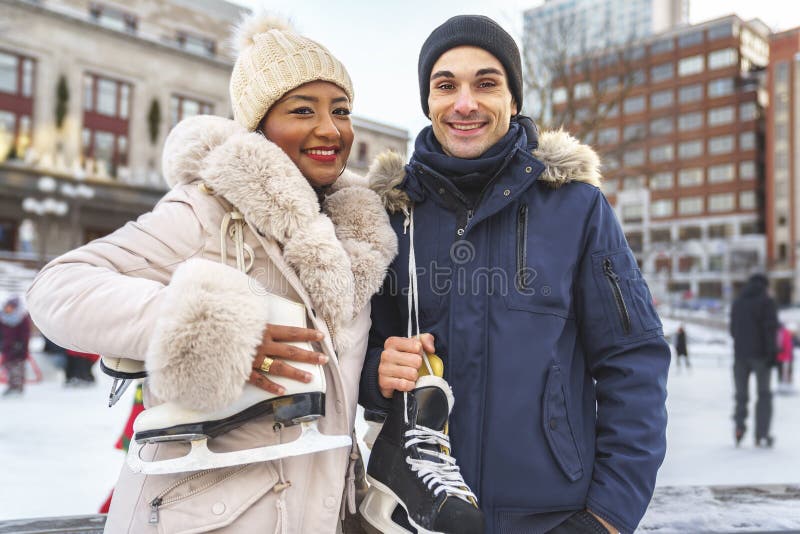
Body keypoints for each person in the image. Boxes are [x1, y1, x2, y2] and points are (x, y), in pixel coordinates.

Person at [26, 14, 396, 533]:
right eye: (302, 110)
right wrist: (217, 335)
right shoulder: (205, 211)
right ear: (260, 125)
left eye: (341, 110)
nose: (330, 129)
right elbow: (58, 288)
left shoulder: (351, 240)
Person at [359, 14, 670, 534]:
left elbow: (633, 361)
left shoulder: (578, 209)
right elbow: (350, 352)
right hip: (418, 516)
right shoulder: (391, 215)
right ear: (428, 101)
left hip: (554, 517)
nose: (465, 103)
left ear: (514, 99)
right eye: (446, 85)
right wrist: (376, 373)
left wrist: (607, 517)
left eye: (486, 83)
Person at [730, 273, 778, 447]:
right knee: (764, 395)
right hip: (762, 356)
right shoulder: (767, 301)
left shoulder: (738, 302)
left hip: (740, 356)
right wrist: (773, 354)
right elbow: (770, 329)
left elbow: (732, 330)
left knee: (741, 396)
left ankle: (739, 429)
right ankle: (762, 434)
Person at [1, 296, 31, 397]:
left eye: (10, 307)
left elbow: (25, 334)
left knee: (17, 368)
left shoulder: (21, 318)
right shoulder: (3, 318)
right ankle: (11, 386)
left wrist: (21, 345)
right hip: (7, 347)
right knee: (9, 367)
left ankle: (17, 388)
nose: (7, 309)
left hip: (19, 348)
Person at [775, 323, 794, 394]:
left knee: (786, 371)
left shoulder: (783, 332)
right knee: (782, 371)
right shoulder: (781, 332)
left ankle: (788, 385)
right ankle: (782, 385)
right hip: (782, 356)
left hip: (785, 356)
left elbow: (787, 344)